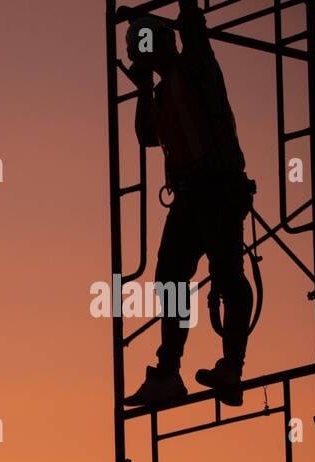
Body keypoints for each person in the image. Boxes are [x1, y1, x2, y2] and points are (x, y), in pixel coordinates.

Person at [123, 0, 255, 409]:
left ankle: (231, 367)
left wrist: (181, 6)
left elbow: (194, 28)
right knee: (170, 278)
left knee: (228, 275)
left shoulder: (197, 69)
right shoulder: (161, 93)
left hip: (218, 188)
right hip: (189, 197)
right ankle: (168, 372)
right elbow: (146, 134)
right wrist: (143, 86)